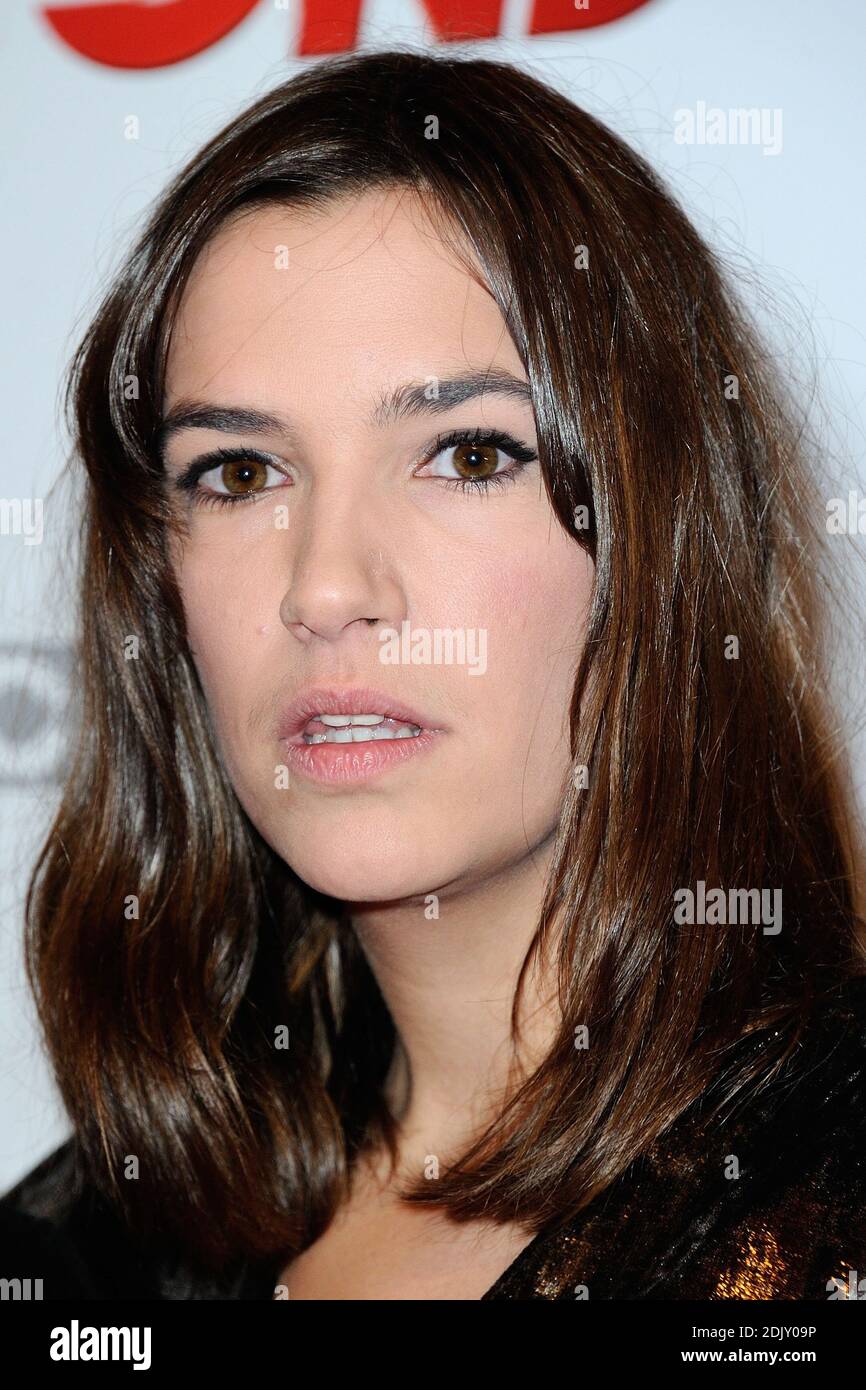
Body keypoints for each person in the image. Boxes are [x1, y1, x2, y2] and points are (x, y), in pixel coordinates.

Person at [2, 48, 865, 1301]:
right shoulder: (87, 1247)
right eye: (239, 473)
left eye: (467, 454)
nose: (327, 587)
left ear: (659, 538)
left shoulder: (819, 1200)